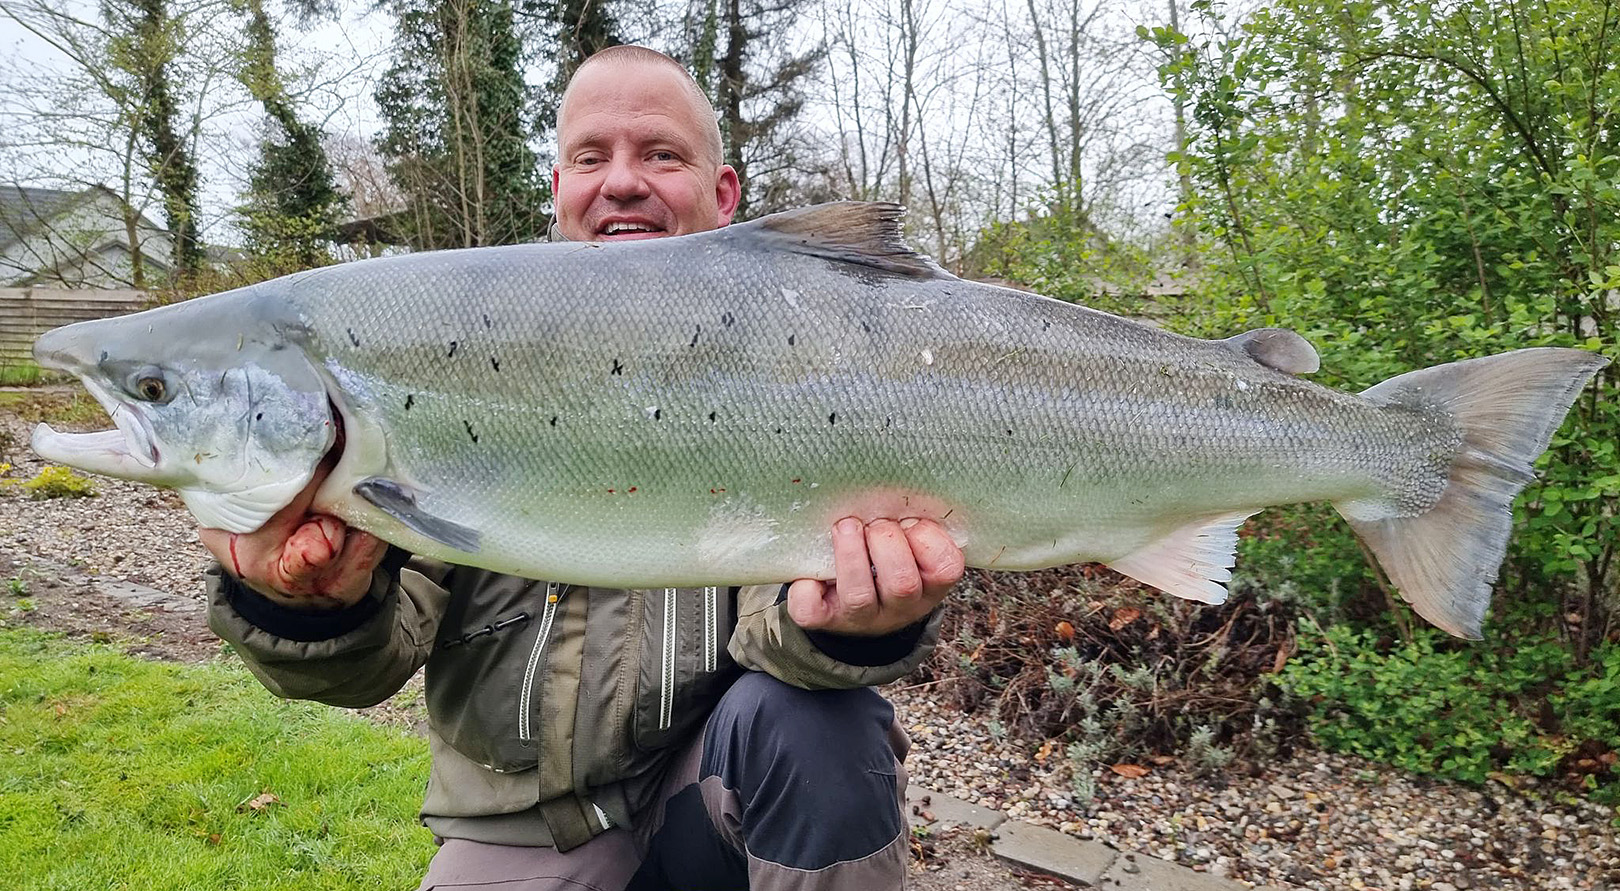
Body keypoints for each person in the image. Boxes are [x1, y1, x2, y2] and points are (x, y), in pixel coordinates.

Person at [200, 45, 966, 891]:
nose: (623, 182)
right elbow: (369, 664)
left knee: (822, 728)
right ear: (559, 186)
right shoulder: (456, 352)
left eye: (661, 154)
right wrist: (307, 605)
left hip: (715, 800)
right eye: (591, 157)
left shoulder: (795, 366)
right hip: (526, 830)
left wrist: (850, 623)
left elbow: (779, 636)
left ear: (724, 194)